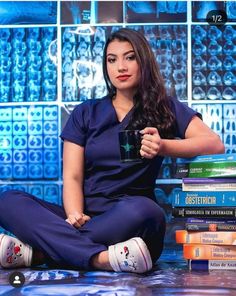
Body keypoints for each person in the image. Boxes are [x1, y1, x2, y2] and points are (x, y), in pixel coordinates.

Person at [0, 28, 224, 273]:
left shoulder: (165, 108)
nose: (121, 67)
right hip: (86, 218)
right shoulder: (86, 112)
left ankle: (42, 253)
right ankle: (102, 259)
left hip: (130, 219)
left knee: (148, 211)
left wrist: (164, 146)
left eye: (130, 57)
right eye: (112, 59)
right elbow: (73, 176)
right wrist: (75, 214)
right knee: (8, 201)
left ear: (144, 61)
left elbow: (213, 143)